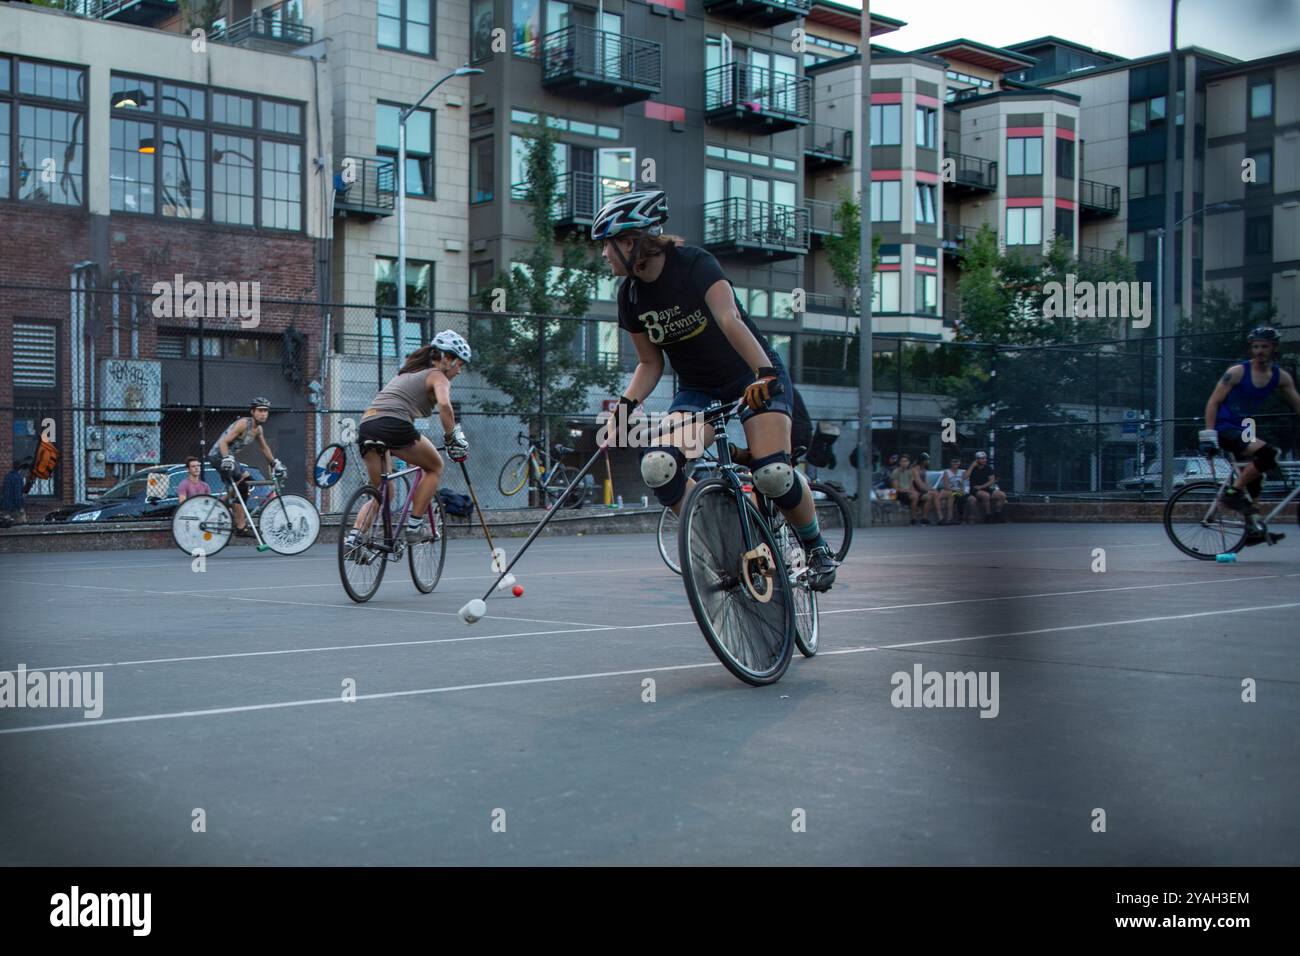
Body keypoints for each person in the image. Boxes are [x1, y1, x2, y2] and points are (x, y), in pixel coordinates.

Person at [593, 189, 836, 590]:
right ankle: (720, 542)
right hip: (699, 390)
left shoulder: (694, 264)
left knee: (773, 474)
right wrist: (624, 408)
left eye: (607, 244)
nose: (603, 254)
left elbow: (730, 319)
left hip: (752, 375)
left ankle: (816, 548)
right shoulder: (630, 296)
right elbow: (650, 363)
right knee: (659, 466)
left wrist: (763, 374)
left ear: (631, 241)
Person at [346, 330, 472, 550]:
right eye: (460, 364)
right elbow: (444, 405)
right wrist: (452, 437)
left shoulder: (408, 372)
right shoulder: (437, 376)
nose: (460, 370)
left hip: (367, 425)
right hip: (394, 425)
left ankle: (354, 540)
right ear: (447, 358)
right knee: (435, 467)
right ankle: (414, 527)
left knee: (382, 491)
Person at [1201, 326, 1300, 545]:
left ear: (1274, 348)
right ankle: (1232, 493)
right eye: (1255, 347)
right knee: (1270, 453)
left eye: (1264, 346)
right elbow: (1213, 402)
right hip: (1224, 428)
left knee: (1256, 474)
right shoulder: (1237, 372)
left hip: (1245, 428)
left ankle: (1253, 527)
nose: (1259, 351)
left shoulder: (1280, 377)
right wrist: (1209, 434)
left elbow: (1297, 404)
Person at [208, 398, 284, 537]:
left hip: (229, 458)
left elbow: (264, 448)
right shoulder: (244, 424)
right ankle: (241, 527)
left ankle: (223, 503)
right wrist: (226, 459)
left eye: (266, 411)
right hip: (219, 456)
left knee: (247, 480)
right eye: (260, 410)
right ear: (252, 412)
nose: (263, 414)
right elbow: (223, 442)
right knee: (242, 486)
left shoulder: (258, 429)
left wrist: (274, 464)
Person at [967, 451, 1007, 521]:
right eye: (982, 458)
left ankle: (997, 514)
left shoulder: (988, 468)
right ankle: (988, 515)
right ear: (977, 459)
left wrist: (981, 486)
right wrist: (972, 466)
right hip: (975, 490)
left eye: (985, 458)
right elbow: (965, 477)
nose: (984, 460)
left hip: (985, 488)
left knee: (1002, 495)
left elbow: (991, 480)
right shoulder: (972, 468)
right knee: (986, 495)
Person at [909, 452, 940, 525]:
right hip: (915, 491)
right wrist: (930, 490)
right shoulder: (915, 469)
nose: (928, 461)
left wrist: (931, 489)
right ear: (923, 461)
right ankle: (939, 517)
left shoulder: (924, 470)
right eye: (927, 460)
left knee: (932, 495)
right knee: (932, 494)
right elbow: (919, 485)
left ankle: (924, 518)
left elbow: (925, 483)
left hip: (921, 491)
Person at [940, 456, 969, 524]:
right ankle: (950, 518)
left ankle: (960, 518)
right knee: (955, 496)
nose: (956, 463)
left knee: (962, 497)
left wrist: (962, 491)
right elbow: (946, 486)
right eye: (954, 461)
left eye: (957, 461)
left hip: (961, 491)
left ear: (960, 462)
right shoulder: (946, 472)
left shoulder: (963, 472)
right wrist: (955, 491)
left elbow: (963, 484)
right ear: (951, 463)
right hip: (951, 491)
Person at [2, 461, 27, 525]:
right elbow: (18, 494)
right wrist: (20, 507)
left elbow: (3, 491)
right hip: (15, 507)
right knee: (22, 523)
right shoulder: (19, 478)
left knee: (7, 523)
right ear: (20, 469)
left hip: (6, 505)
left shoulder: (7, 477)